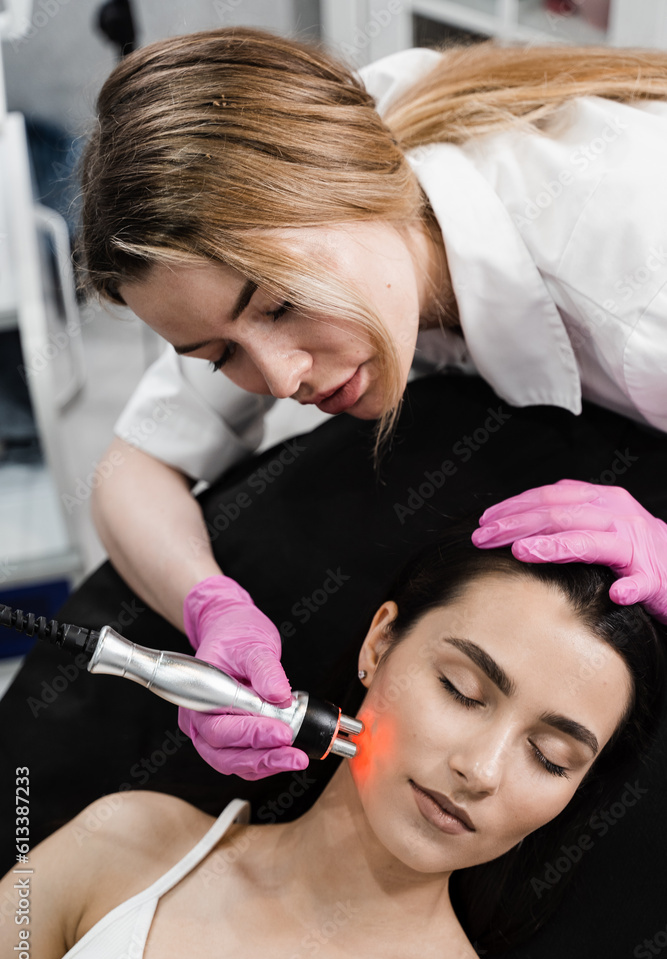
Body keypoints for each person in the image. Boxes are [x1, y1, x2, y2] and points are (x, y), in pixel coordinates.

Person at [73, 25, 667, 784]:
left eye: (283, 305)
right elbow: (133, 468)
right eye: (219, 355)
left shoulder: (636, 284)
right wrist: (208, 605)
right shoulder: (302, 191)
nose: (281, 378)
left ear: (358, 185)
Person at [1, 526, 663, 959]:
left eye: (551, 759)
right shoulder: (124, 843)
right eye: (461, 691)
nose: (481, 771)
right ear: (379, 643)